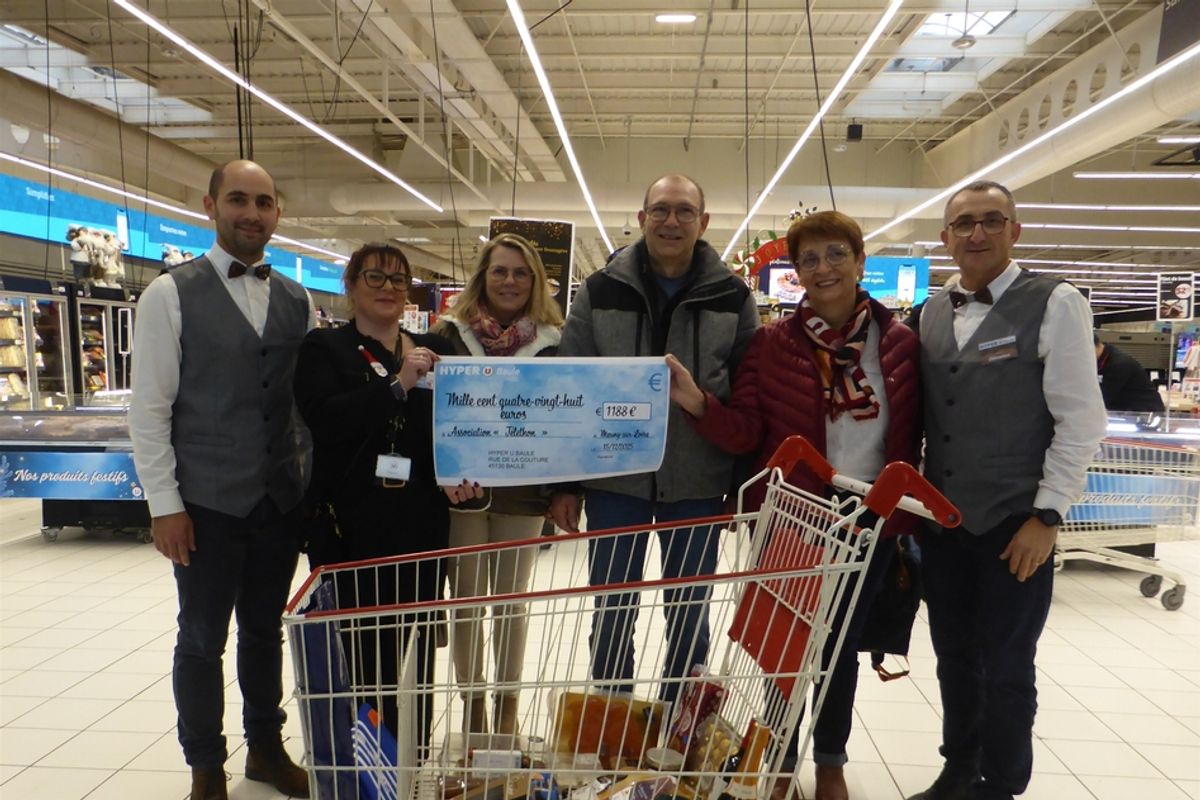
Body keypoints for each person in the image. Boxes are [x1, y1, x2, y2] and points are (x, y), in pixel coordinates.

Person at [667, 210, 921, 800]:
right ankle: (779, 761)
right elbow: (747, 432)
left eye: (836, 254)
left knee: (839, 650)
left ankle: (829, 760)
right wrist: (699, 405)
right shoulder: (770, 345)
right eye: (809, 259)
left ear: (861, 262)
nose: (823, 268)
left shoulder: (903, 345)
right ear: (796, 273)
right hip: (793, 517)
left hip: (870, 518)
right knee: (785, 650)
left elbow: (919, 432)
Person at [908, 181, 1106, 800]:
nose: (976, 233)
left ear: (1014, 230)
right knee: (953, 656)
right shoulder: (931, 310)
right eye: (963, 223)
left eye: (992, 220)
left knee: (1007, 663)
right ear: (945, 238)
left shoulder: (1055, 303)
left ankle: (1002, 783)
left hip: (1014, 522)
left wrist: (1048, 514)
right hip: (944, 524)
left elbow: (1081, 419)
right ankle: (959, 768)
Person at [129, 159, 315, 800]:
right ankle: (206, 767)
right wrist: (164, 504)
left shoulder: (298, 299)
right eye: (238, 199)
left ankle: (265, 746)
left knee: (266, 631)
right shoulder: (168, 295)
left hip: (278, 502)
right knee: (202, 639)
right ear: (209, 205)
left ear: (277, 214)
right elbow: (149, 410)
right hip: (204, 502)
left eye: (264, 202)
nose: (251, 214)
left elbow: (301, 407)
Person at [548, 173, 760, 705]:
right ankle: (614, 717)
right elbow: (570, 384)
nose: (671, 221)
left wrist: (737, 485)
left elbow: (748, 395)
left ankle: (675, 729)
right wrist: (566, 483)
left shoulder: (734, 297)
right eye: (660, 210)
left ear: (704, 222)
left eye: (685, 211)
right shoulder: (600, 290)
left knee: (689, 610)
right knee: (611, 609)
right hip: (613, 478)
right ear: (641, 219)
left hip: (698, 481)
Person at [294, 242, 479, 758]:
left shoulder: (436, 350)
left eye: (399, 280)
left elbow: (454, 432)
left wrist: (459, 473)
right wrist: (399, 385)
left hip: (419, 523)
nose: (389, 288)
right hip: (350, 528)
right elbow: (329, 421)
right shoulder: (324, 349)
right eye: (375, 278)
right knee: (360, 653)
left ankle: (412, 759)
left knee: (416, 651)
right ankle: (364, 759)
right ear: (350, 287)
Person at [432, 232, 564, 737]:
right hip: (462, 493)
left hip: (524, 491)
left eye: (520, 272)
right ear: (482, 279)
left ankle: (506, 708)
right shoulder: (447, 335)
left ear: (534, 282)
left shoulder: (554, 342)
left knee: (511, 601)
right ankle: (473, 706)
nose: (509, 281)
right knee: (466, 600)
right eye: (499, 271)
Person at [1095, 334, 1164, 413]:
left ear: (1093, 346)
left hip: (1145, 412)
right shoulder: (1104, 358)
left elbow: (1103, 398)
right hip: (1128, 411)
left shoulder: (1118, 363)